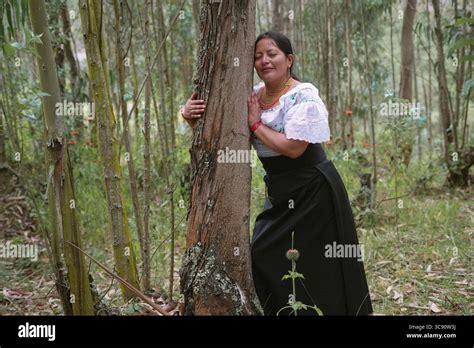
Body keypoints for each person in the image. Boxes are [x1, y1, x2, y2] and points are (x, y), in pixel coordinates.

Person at [181, 31, 373, 316]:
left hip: (313, 188)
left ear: (289, 59)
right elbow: (227, 138)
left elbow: (294, 149)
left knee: (320, 261)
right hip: (281, 190)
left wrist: (257, 126)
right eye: (258, 57)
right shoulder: (252, 95)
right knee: (262, 252)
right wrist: (190, 117)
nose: (264, 61)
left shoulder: (302, 95)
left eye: (272, 54)